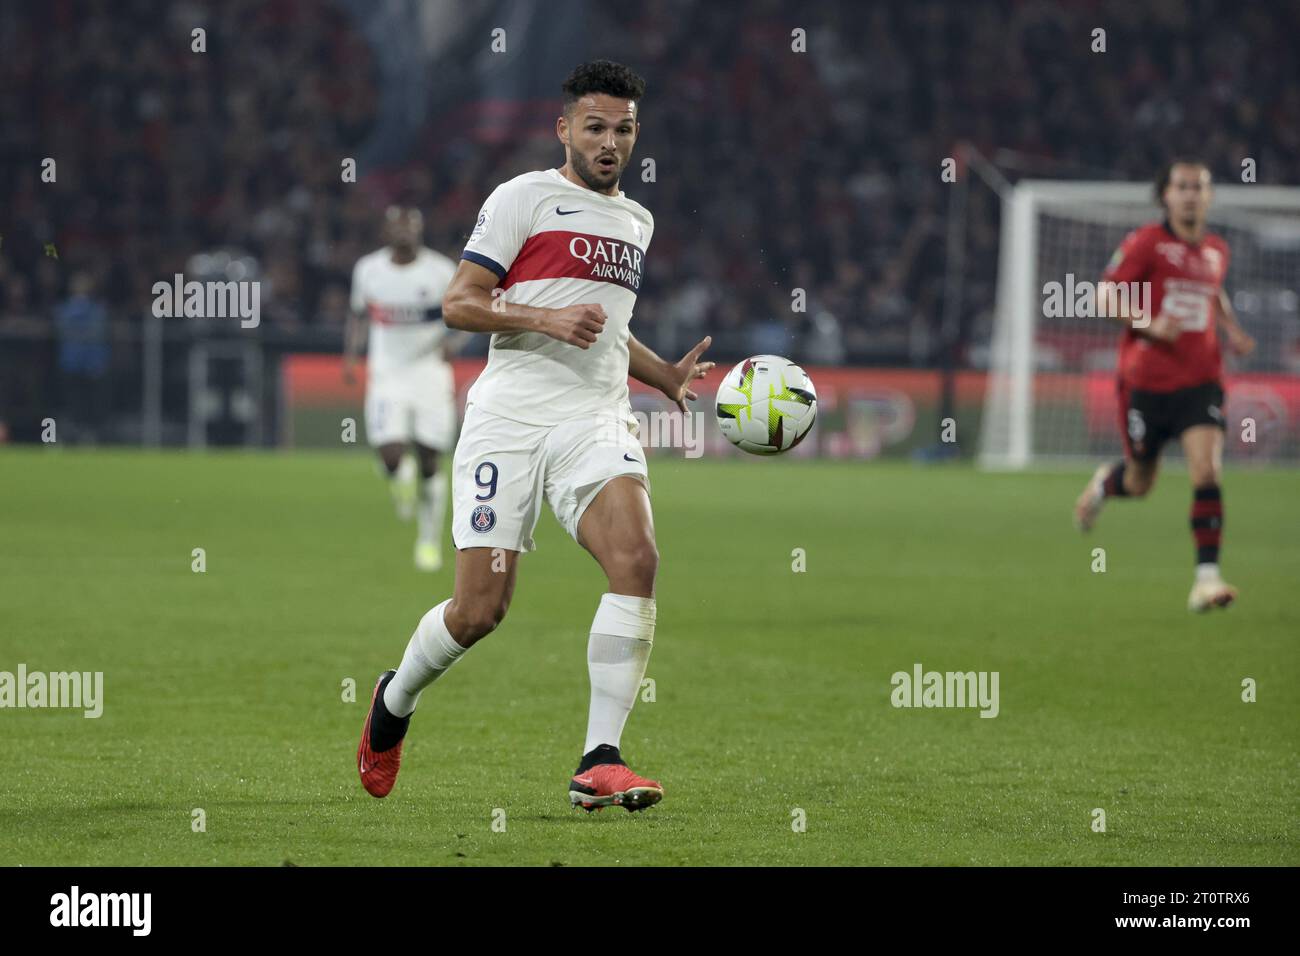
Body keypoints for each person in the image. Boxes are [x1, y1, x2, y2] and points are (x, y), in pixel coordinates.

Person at [356, 60, 714, 811]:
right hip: (508, 424)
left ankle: (600, 760)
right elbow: (460, 304)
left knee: (637, 558)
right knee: (479, 611)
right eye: (595, 127)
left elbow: (607, 330)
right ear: (564, 129)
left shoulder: (637, 222)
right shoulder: (522, 198)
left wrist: (663, 377)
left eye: (623, 129)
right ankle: (394, 702)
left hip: (593, 420)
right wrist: (542, 317)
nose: (610, 141)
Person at [1074, 160, 1256, 612]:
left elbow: (1212, 290)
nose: (1191, 194)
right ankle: (1102, 486)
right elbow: (1103, 296)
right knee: (1139, 483)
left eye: (1199, 187)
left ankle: (1206, 580)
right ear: (1166, 196)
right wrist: (1148, 323)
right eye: (1182, 187)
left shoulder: (1217, 249)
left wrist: (1231, 328)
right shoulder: (1147, 243)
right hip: (1148, 383)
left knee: (1207, 471)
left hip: (1201, 381)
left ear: (1209, 196)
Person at [346, 206, 460, 571]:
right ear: (386, 231)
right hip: (387, 375)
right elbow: (358, 315)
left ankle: (428, 541)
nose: (405, 233)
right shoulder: (368, 270)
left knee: (430, 459)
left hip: (430, 374)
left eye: (412, 226)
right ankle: (400, 478)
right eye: (398, 226)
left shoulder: (442, 270)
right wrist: (351, 356)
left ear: (421, 230)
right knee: (392, 456)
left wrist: (452, 345)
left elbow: (467, 313)